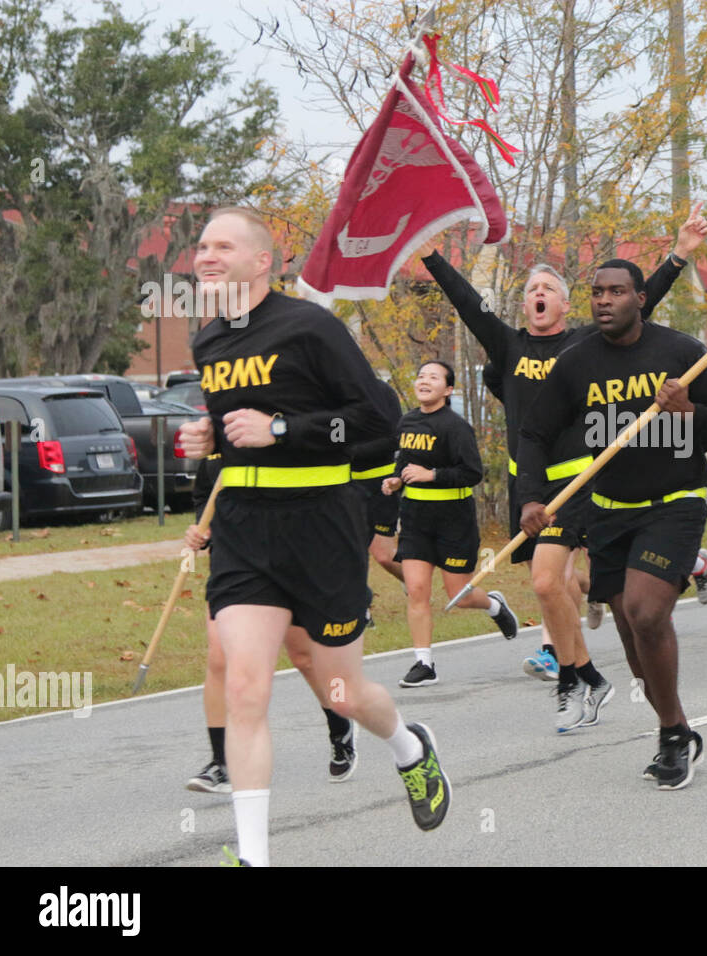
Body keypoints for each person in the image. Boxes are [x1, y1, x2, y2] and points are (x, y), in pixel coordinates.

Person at [180, 207, 449, 866]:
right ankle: (253, 857)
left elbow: (380, 421)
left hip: (321, 528)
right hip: (245, 532)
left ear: (261, 262)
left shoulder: (310, 327)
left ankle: (409, 746)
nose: (205, 256)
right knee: (245, 686)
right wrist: (207, 450)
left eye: (222, 245)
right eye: (201, 246)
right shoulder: (208, 340)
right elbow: (231, 438)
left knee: (342, 693)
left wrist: (282, 432)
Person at [419, 205, 707, 681]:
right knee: (576, 580)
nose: (538, 293)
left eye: (549, 288)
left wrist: (678, 255)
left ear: (565, 305)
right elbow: (468, 302)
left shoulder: (584, 344)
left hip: (580, 479)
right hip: (530, 484)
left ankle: (569, 666)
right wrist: (431, 254)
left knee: (549, 577)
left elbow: (643, 300)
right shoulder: (508, 345)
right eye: (533, 288)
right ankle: (683, 569)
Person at [518, 258, 707, 788]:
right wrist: (531, 497)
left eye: (616, 291)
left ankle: (670, 735)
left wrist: (689, 410)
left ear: (641, 298)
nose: (603, 300)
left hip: (675, 501)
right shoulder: (575, 364)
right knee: (632, 639)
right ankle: (679, 729)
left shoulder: (681, 352)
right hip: (609, 512)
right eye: (596, 292)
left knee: (645, 613)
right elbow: (533, 433)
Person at [184, 455, 360, 793]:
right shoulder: (217, 442)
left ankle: (340, 721)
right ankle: (222, 763)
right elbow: (205, 495)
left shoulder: (283, 430)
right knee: (219, 658)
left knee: (305, 657)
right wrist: (201, 530)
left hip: (291, 555)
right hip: (235, 563)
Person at [382, 360, 518, 688]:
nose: (424, 381)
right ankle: (424, 663)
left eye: (433, 377)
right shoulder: (407, 422)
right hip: (415, 520)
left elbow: (473, 472)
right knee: (416, 591)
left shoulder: (455, 427)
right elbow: (402, 463)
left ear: (448, 389)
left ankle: (494, 605)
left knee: (459, 595)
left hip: (454, 521)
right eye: (421, 375)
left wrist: (433, 475)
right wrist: (396, 480)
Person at [350, 379, 406, 625]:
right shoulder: (336, 394)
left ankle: (414, 581)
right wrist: (338, 445)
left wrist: (354, 452)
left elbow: (395, 439)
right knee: (350, 549)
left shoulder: (382, 393)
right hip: (348, 485)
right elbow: (336, 431)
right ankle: (361, 609)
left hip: (381, 482)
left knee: (384, 555)